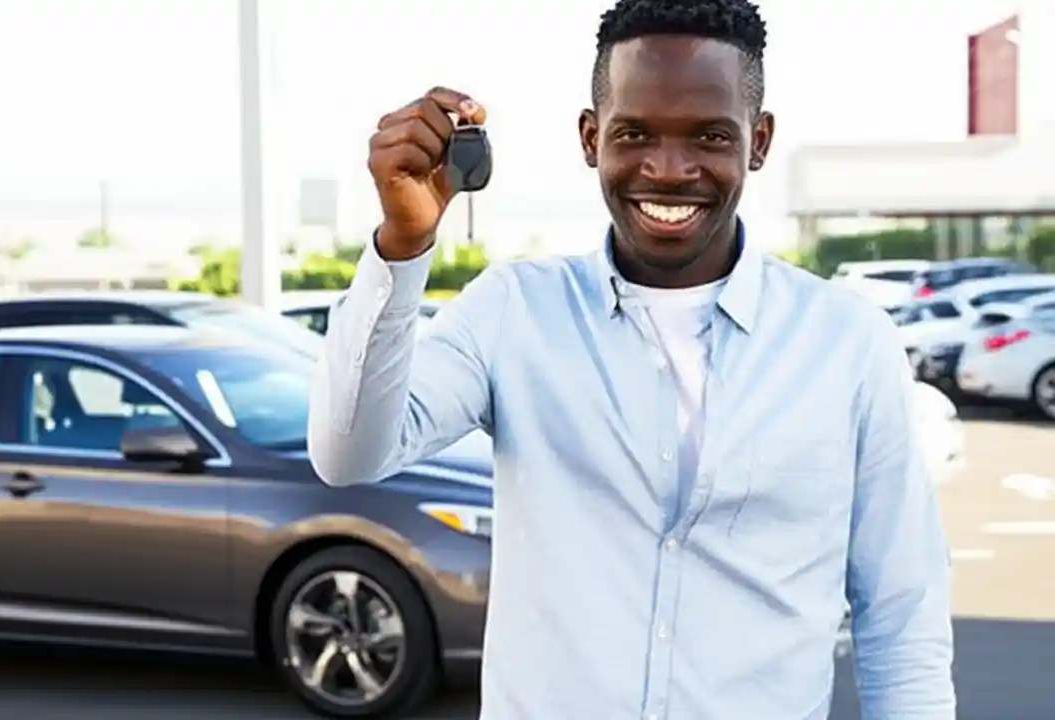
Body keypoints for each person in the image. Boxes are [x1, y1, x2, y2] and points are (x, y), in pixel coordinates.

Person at [307, 0, 956, 717]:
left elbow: (902, 613)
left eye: (709, 135)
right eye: (634, 133)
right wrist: (402, 245)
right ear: (590, 137)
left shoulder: (846, 340)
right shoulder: (514, 311)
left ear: (759, 140)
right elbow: (348, 455)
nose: (669, 170)